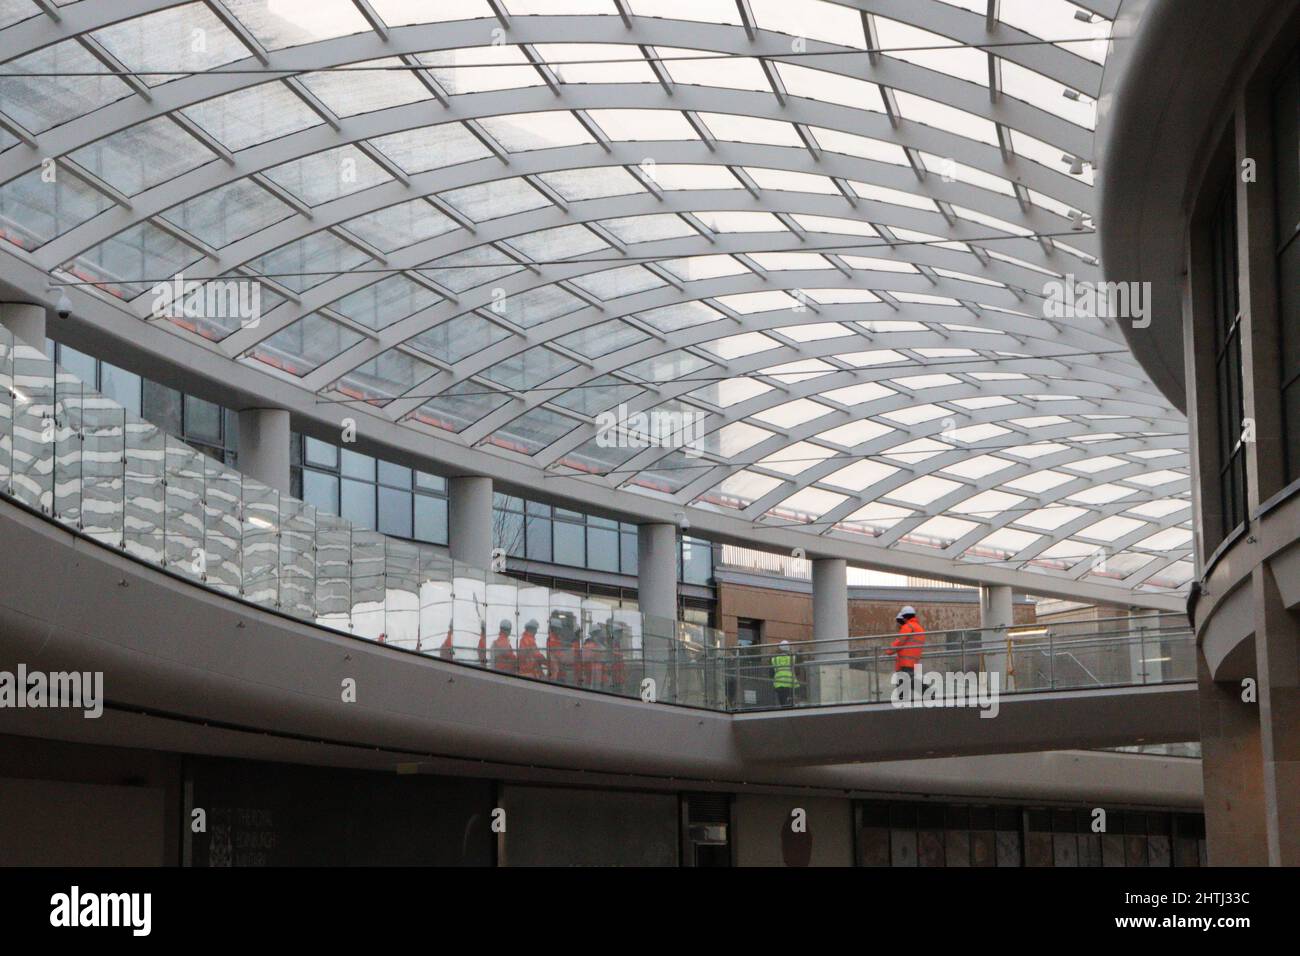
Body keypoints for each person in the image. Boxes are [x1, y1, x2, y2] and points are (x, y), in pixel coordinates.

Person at [887, 605, 925, 695]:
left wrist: (888, 651)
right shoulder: (919, 628)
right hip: (912, 660)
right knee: (902, 682)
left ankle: (928, 692)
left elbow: (900, 642)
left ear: (904, 617)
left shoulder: (908, 627)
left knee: (909, 681)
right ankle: (901, 700)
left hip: (906, 661)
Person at [771, 639, 799, 707]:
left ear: (779, 648)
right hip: (790, 683)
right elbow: (798, 671)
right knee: (791, 703)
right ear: (788, 648)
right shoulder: (792, 658)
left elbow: (771, 673)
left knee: (782, 703)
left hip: (779, 684)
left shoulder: (774, 659)